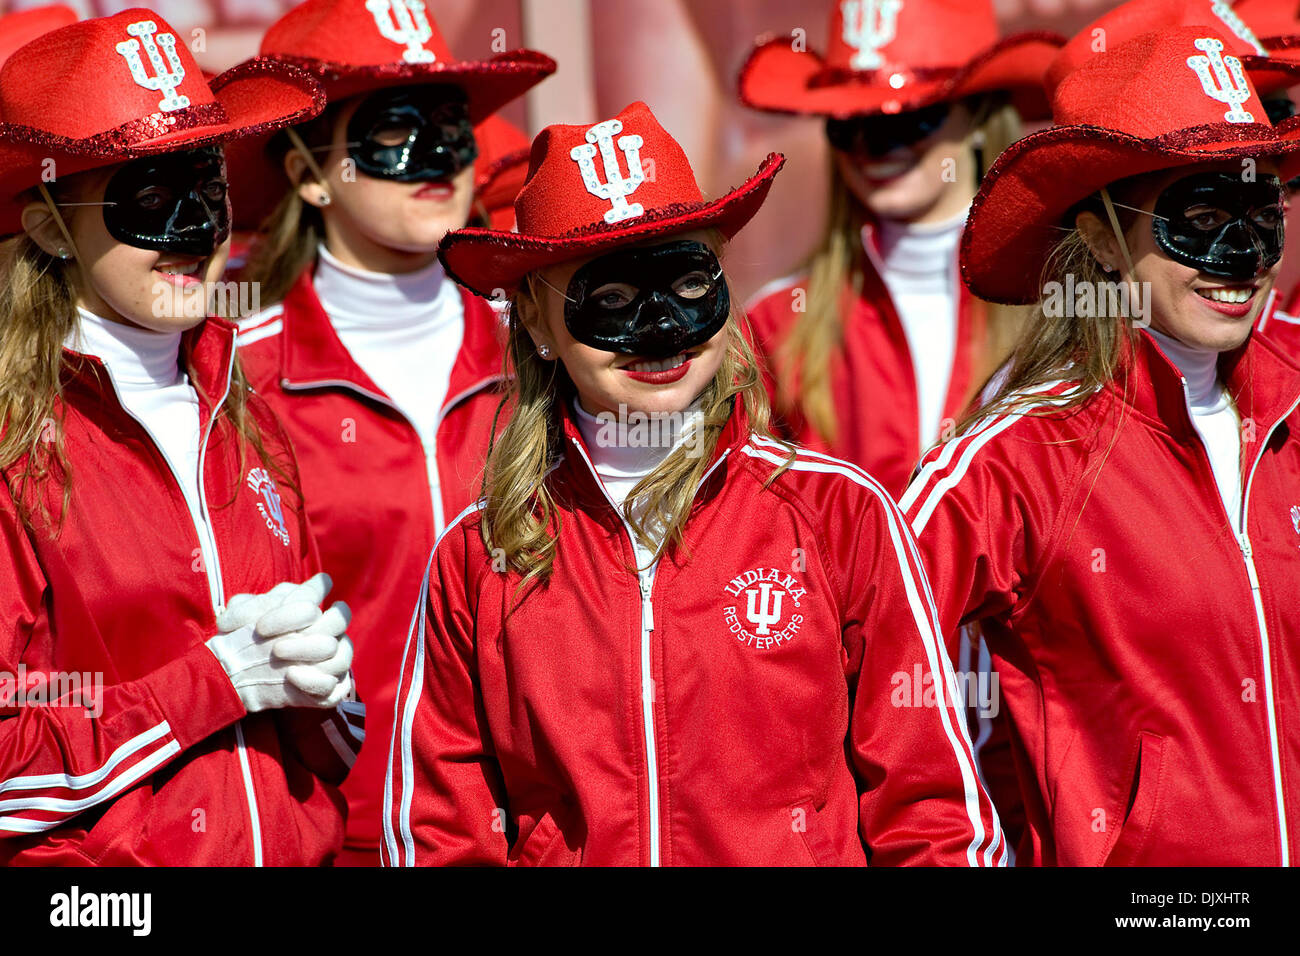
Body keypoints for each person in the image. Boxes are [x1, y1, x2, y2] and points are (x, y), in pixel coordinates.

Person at [383, 101, 1005, 867]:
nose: (659, 330)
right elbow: (439, 833)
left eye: (685, 284)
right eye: (608, 301)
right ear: (539, 325)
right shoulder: (479, 557)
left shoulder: (841, 515)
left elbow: (930, 807)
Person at [900, 26, 1300, 865]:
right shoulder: (1018, 452)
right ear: (1108, 239)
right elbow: (872, 660)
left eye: (1261, 217)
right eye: (1198, 217)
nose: (1241, 256)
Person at [0, 10, 360, 866]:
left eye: (208, 189)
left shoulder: (247, 410)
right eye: (151, 201)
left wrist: (323, 692)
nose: (196, 232)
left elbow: (328, 756)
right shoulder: (14, 446)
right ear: (51, 225)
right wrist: (217, 682)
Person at [226, 0, 555, 866]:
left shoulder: (553, 352)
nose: (436, 159)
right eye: (390, 132)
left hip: (554, 831)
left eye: (451, 127)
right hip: (345, 833)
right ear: (307, 173)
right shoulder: (235, 380)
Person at [737, 0, 1063, 496]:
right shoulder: (773, 324)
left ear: (978, 114)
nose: (872, 146)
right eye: (847, 122)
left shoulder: (1065, 308)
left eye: (907, 118)